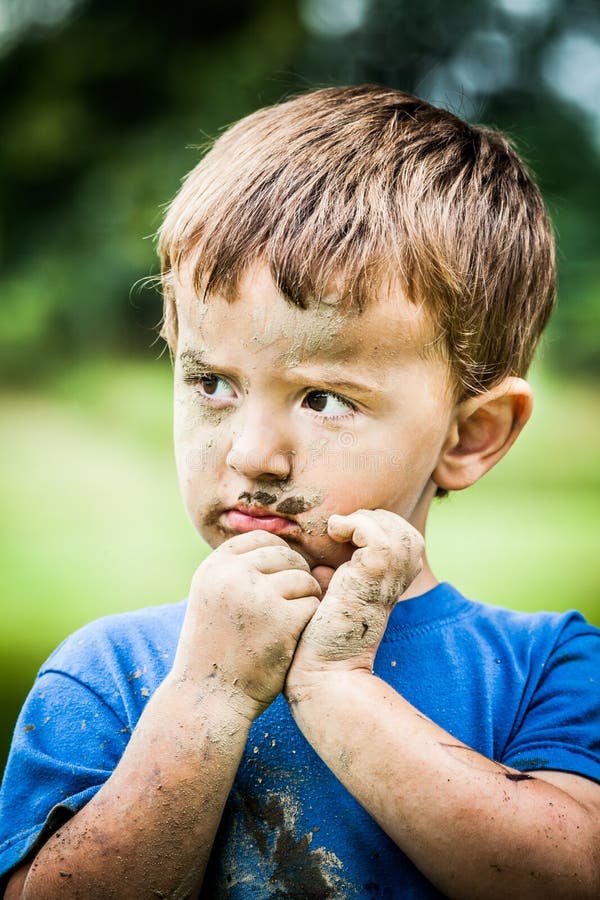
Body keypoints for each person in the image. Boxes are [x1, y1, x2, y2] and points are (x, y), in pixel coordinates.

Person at [1, 84, 599, 899]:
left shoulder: (547, 666)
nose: (252, 454)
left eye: (324, 399)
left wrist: (338, 688)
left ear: (469, 435)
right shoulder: (109, 672)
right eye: (211, 382)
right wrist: (206, 702)